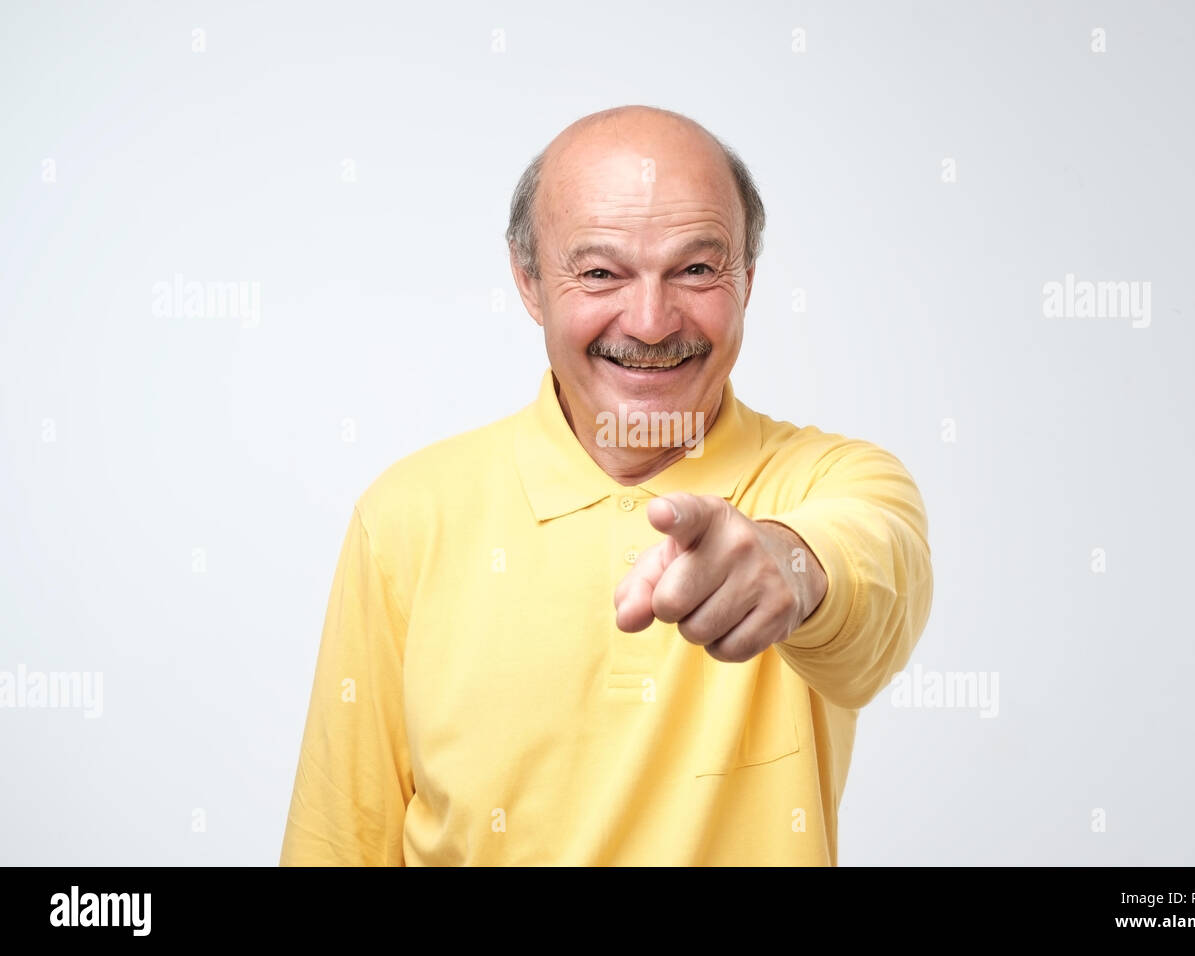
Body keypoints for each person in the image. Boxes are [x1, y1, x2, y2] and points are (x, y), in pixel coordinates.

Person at [278, 105, 934, 866]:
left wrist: (785, 562)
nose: (652, 322)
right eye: (599, 273)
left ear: (748, 281)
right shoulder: (405, 516)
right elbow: (337, 843)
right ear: (529, 283)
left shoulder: (838, 480)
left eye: (695, 269)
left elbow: (870, 573)